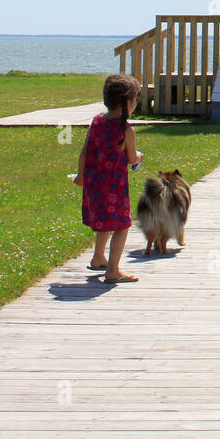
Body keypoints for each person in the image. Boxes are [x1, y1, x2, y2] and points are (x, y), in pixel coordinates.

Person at [74, 73, 144, 283]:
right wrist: (140, 156)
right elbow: (132, 159)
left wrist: (80, 176)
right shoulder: (126, 130)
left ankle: (98, 257)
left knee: (105, 221)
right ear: (128, 103)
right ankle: (113, 270)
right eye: (135, 99)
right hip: (114, 187)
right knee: (121, 225)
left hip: (95, 184)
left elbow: (85, 151)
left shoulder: (97, 122)